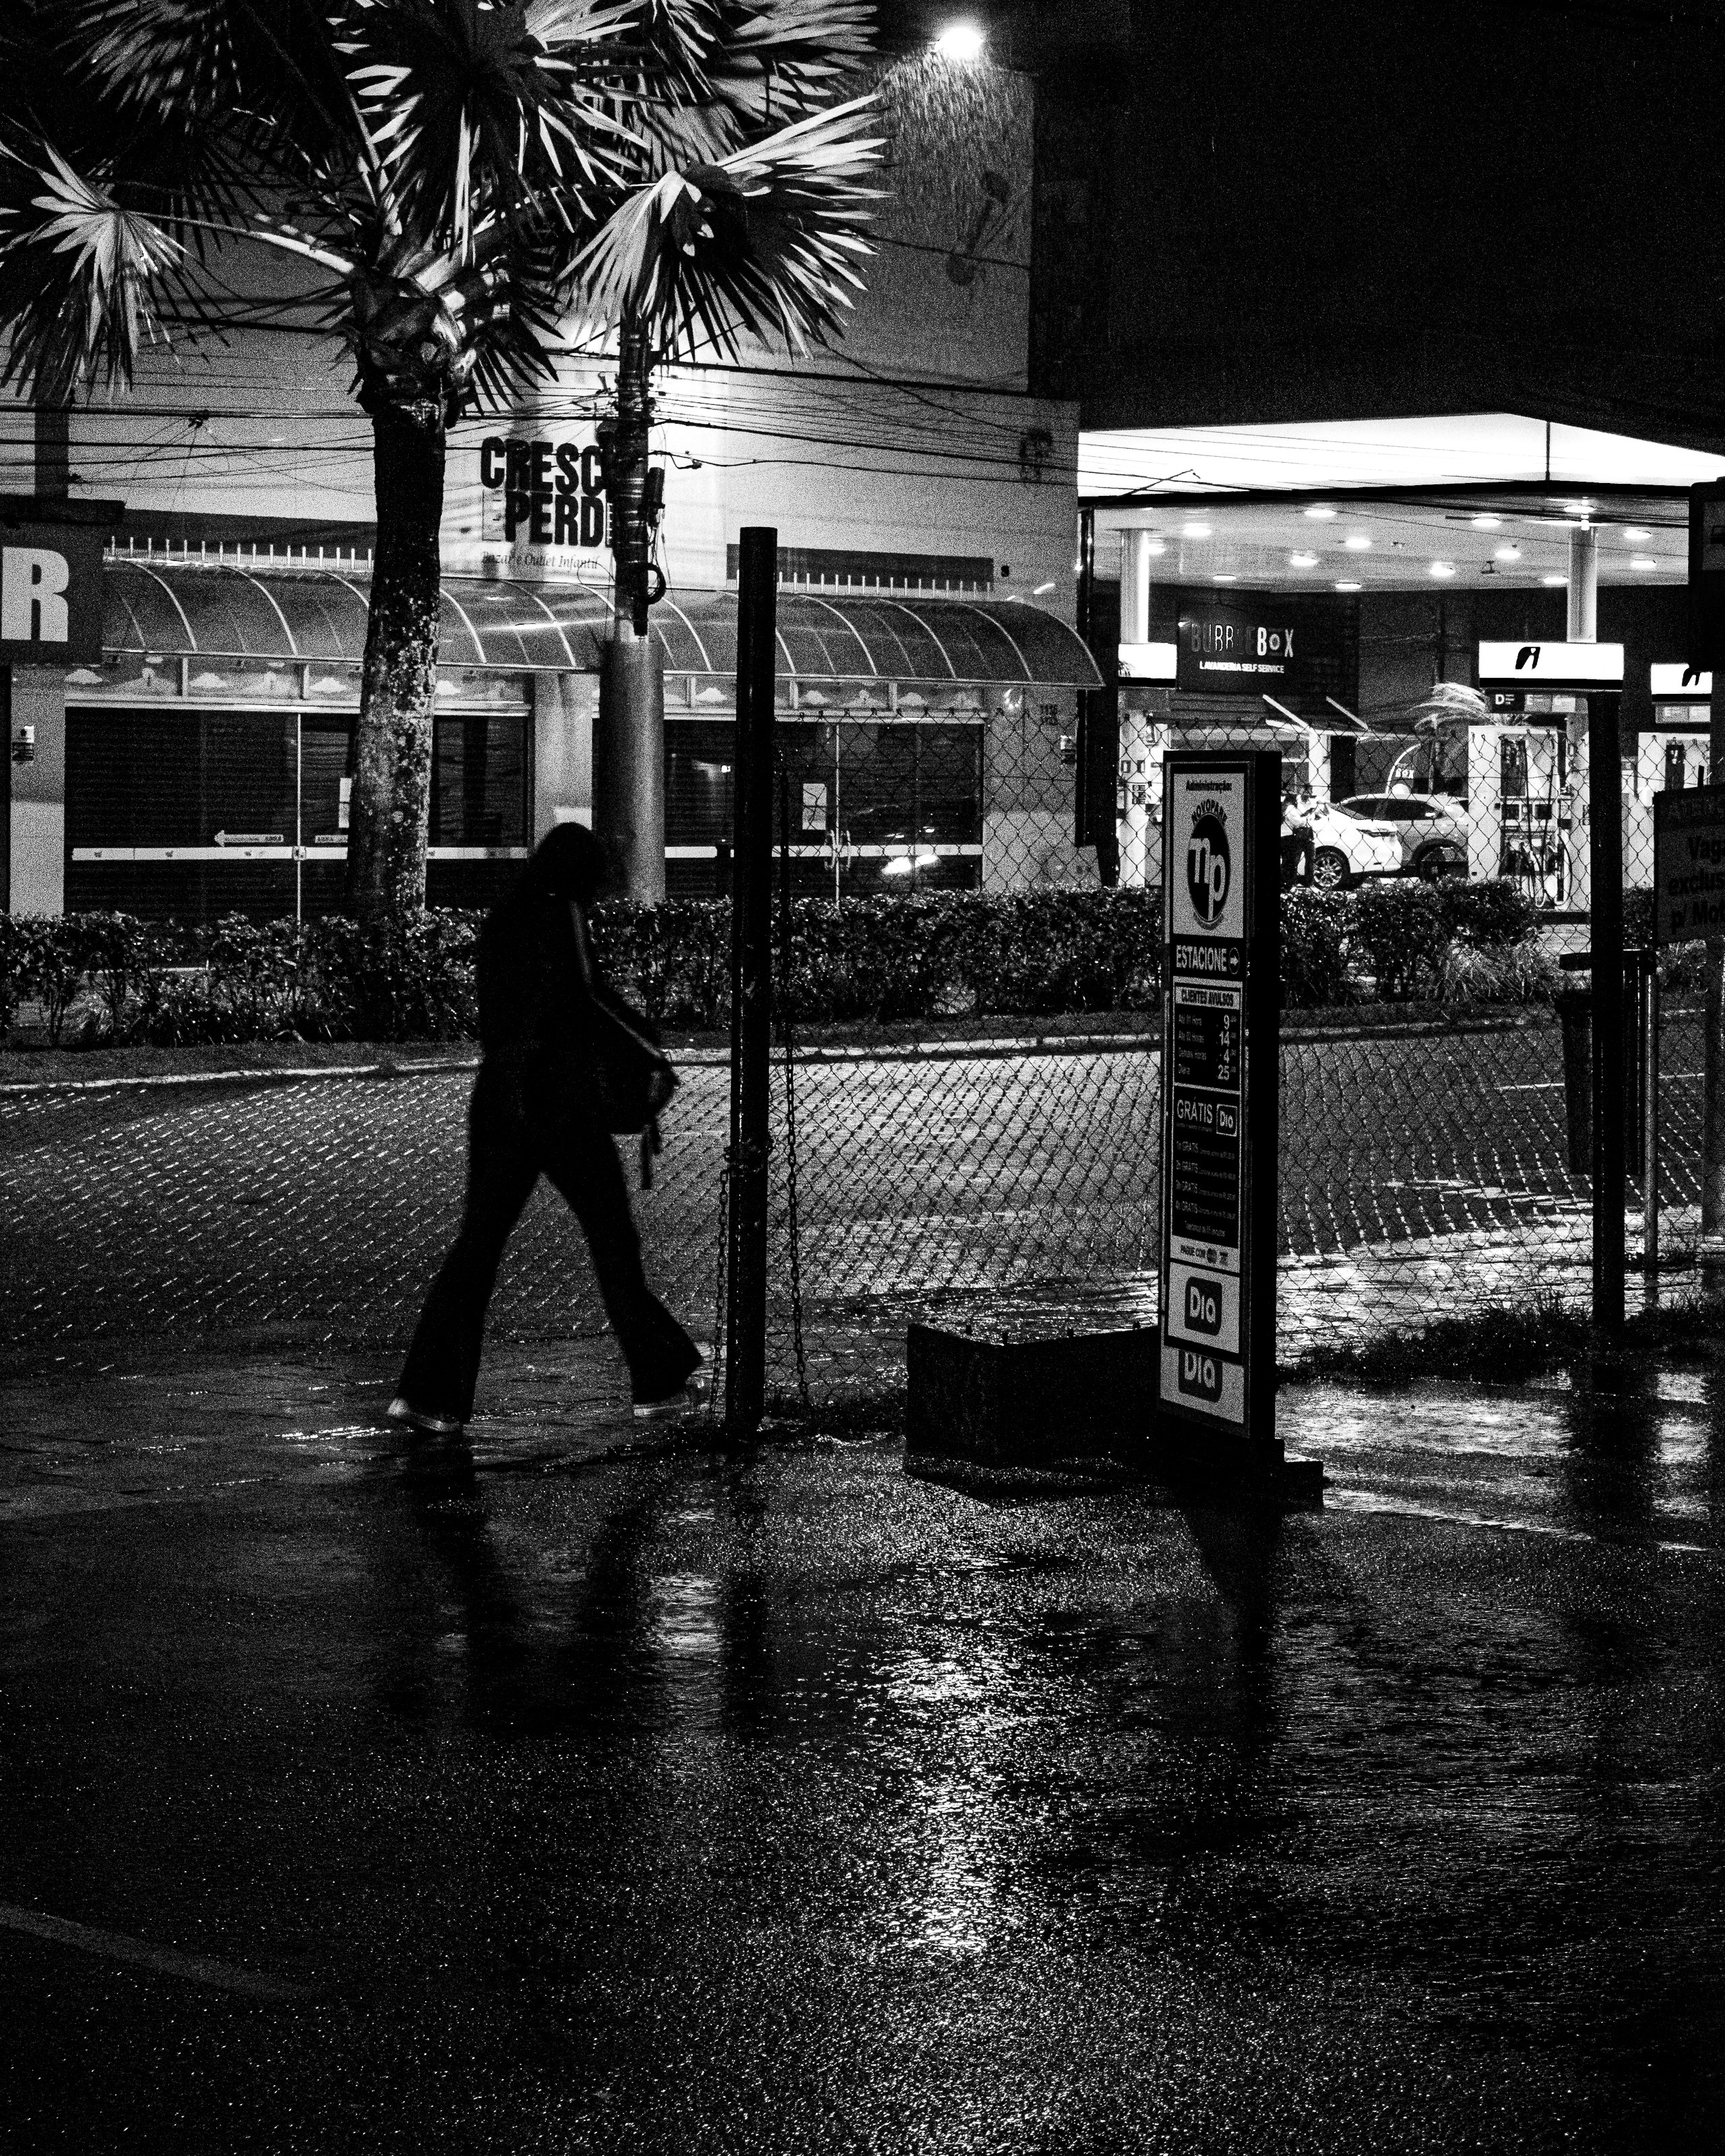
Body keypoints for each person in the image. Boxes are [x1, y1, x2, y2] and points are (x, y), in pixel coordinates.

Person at [390, 823, 704, 1436]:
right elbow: (584, 998)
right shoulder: (562, 914)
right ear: (580, 875)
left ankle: (429, 1395)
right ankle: (657, 1378)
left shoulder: (504, 916)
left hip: (501, 1101)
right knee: (613, 1242)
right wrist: (647, 1045)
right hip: (560, 1104)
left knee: (477, 1249)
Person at [1280, 784, 1315, 887]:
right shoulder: (1289, 807)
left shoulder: (1288, 806)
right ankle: (1289, 883)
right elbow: (1298, 822)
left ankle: (1292, 883)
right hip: (1289, 836)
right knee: (1291, 861)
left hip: (1302, 834)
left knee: (1291, 861)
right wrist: (1309, 814)